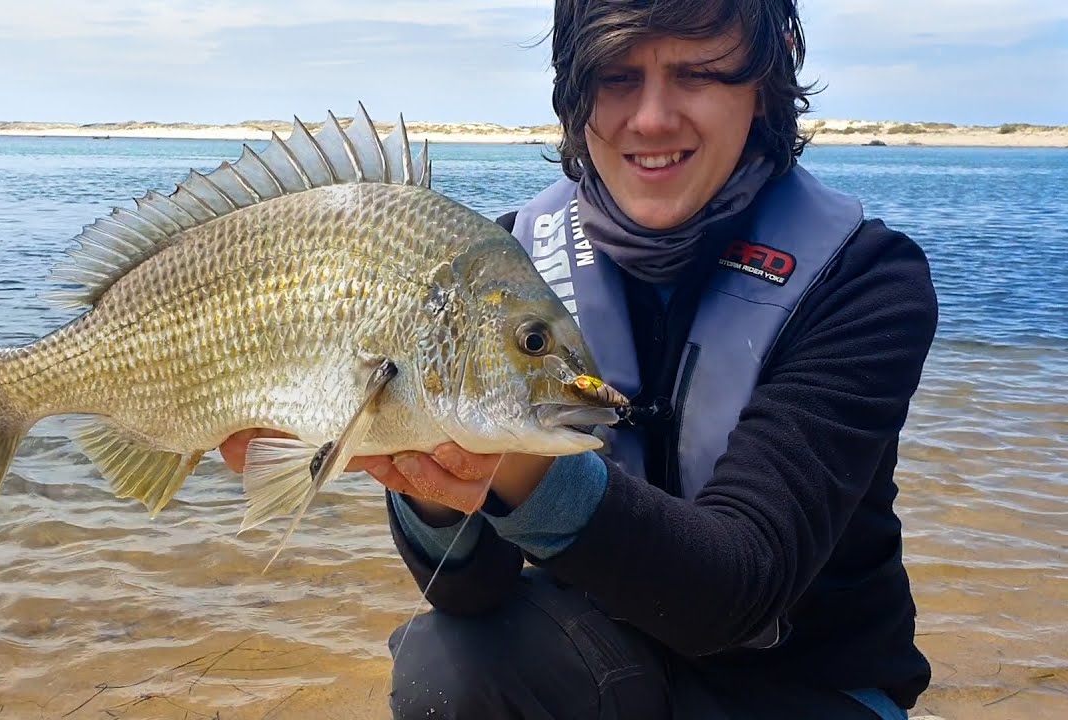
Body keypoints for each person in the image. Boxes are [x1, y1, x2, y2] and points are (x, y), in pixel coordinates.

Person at [221, 0, 939, 717]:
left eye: (698, 73)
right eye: (617, 77)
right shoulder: (506, 269)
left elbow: (739, 590)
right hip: (607, 661)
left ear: (767, 73)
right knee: (449, 666)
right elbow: (469, 594)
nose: (652, 119)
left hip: (807, 684)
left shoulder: (866, 284)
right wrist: (429, 480)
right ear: (571, 86)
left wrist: (520, 471)